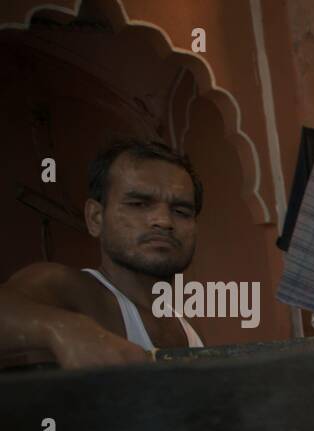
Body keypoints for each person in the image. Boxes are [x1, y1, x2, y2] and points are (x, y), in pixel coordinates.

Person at [0, 139, 205, 369]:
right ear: (95, 218)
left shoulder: (188, 332)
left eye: (181, 211)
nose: (164, 221)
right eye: (138, 204)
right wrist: (62, 328)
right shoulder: (68, 288)